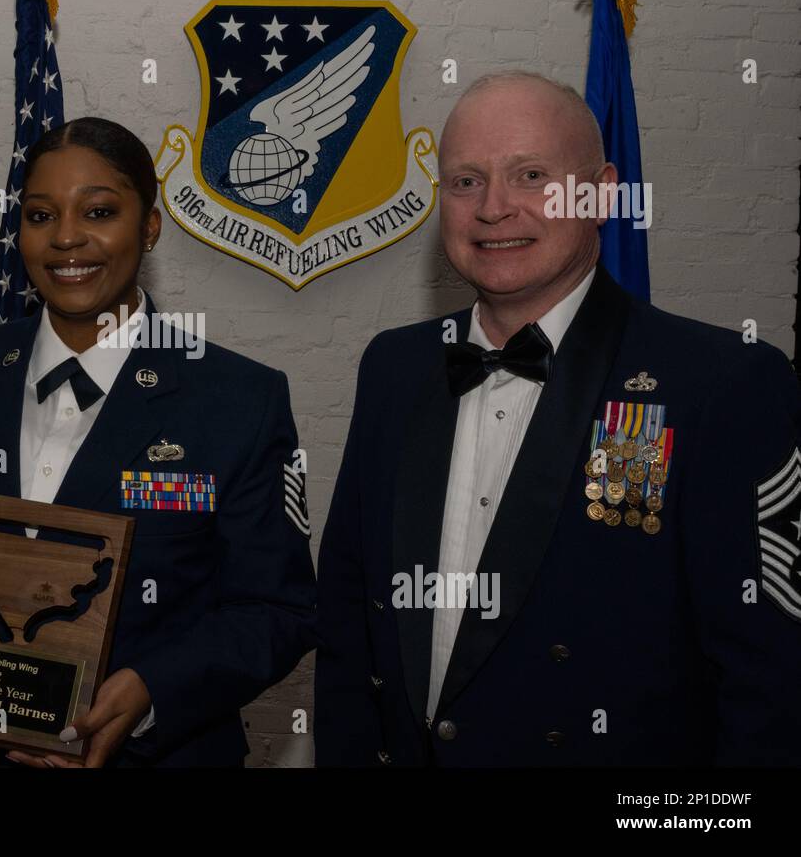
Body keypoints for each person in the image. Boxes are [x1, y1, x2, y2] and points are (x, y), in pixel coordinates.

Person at [314, 71, 801, 766]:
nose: (493, 208)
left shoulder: (721, 383)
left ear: (601, 192)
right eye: (464, 181)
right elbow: (347, 626)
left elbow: (771, 683)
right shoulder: (395, 367)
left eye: (531, 175)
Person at [0, 117, 316, 767]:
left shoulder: (237, 399)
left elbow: (275, 609)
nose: (65, 238)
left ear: (149, 225)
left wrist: (151, 691)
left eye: (100, 211)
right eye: (39, 214)